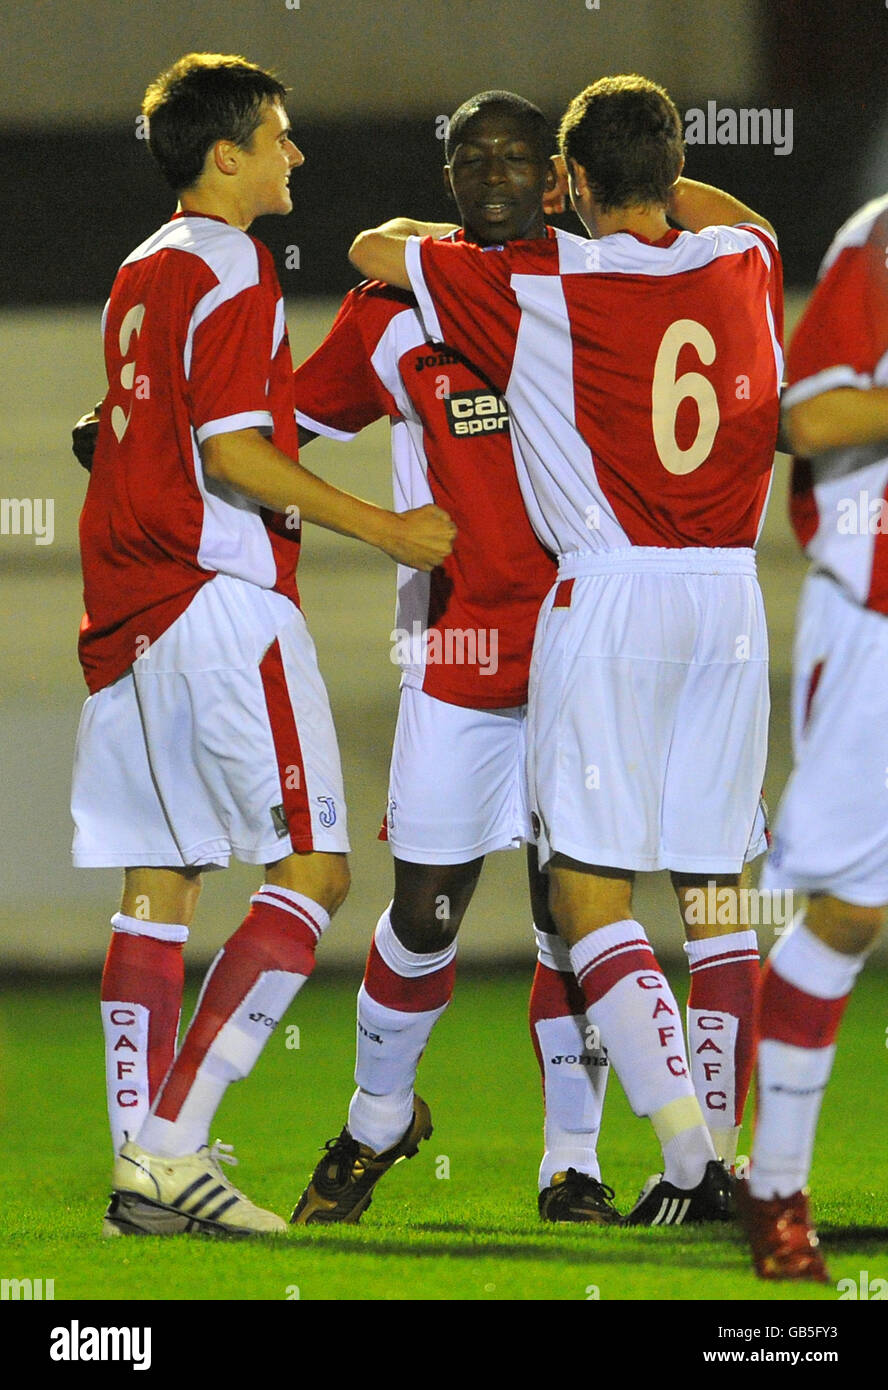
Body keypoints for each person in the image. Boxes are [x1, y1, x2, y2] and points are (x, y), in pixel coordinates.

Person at [348, 73, 783, 1224]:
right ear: (672, 168)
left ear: (568, 182)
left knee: (585, 894)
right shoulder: (746, 265)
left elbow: (377, 246)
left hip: (613, 596)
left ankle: (689, 1160)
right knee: (718, 893)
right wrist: (643, 171)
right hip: (733, 604)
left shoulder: (545, 283)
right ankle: (724, 1157)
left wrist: (568, 198)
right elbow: (744, 218)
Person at [71, 51, 454, 1238]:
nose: (297, 154)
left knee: (158, 882)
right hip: (221, 608)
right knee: (317, 872)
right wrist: (389, 524)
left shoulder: (140, 270)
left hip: (126, 614)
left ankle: (140, 1160)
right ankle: (174, 1148)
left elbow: (127, 430)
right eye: (280, 136)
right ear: (224, 152)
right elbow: (233, 453)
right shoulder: (233, 261)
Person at [289, 92, 616, 1226]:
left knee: (573, 914)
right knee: (424, 913)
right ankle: (381, 1117)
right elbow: (280, 430)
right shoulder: (392, 309)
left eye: (516, 154)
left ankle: (571, 1162)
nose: (492, 170)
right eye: (470, 155)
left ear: (561, 176)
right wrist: (149, 434)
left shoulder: (601, 285)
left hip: (585, 642)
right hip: (458, 650)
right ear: (446, 183)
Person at [741, 192, 888, 1280]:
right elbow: (808, 418)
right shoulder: (880, 242)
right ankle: (777, 1186)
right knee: (847, 909)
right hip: (877, 612)